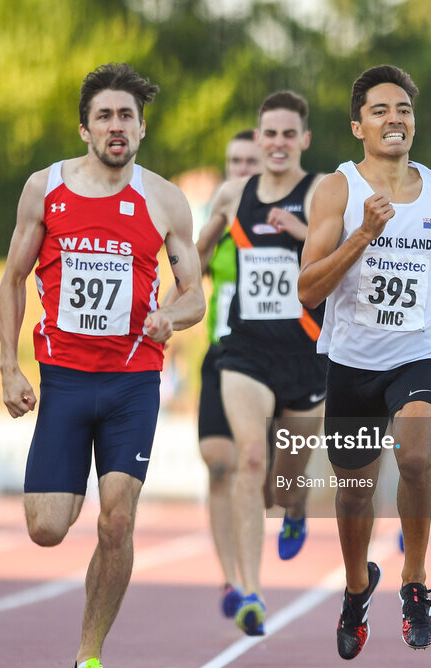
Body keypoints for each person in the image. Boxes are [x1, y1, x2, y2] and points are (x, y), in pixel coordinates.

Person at [0, 63, 204, 668]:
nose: (117, 127)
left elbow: (195, 293)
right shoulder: (45, 189)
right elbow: (11, 281)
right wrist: (10, 363)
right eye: (105, 116)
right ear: (84, 126)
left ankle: (90, 658)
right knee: (47, 528)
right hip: (62, 381)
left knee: (117, 522)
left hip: (132, 384)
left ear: (142, 129)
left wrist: (170, 314)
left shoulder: (164, 199)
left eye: (127, 117)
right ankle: (65, 491)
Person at [298, 64, 431, 659]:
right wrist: (362, 235)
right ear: (357, 126)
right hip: (352, 359)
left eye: (403, 110)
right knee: (352, 494)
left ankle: (414, 581)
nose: (395, 119)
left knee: (417, 456)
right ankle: (354, 587)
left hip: (424, 347)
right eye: (380, 111)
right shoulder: (337, 190)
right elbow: (309, 290)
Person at [196, 91, 326, 637]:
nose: (277, 143)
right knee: (250, 458)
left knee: (282, 484)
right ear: (258, 135)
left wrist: (303, 236)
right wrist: (176, 286)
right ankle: (250, 590)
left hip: (307, 351)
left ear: (304, 139)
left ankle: (294, 509)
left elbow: (349, 252)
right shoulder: (234, 193)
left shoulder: (321, 191)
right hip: (246, 349)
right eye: (268, 133)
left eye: (287, 133)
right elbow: (196, 249)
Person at [195, 130, 263, 620]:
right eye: (233, 160)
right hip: (222, 354)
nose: (240, 169)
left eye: (250, 161)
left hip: (275, 359)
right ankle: (231, 579)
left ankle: (290, 509)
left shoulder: (287, 217)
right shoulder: (218, 221)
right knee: (220, 464)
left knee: (265, 474)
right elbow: (186, 269)